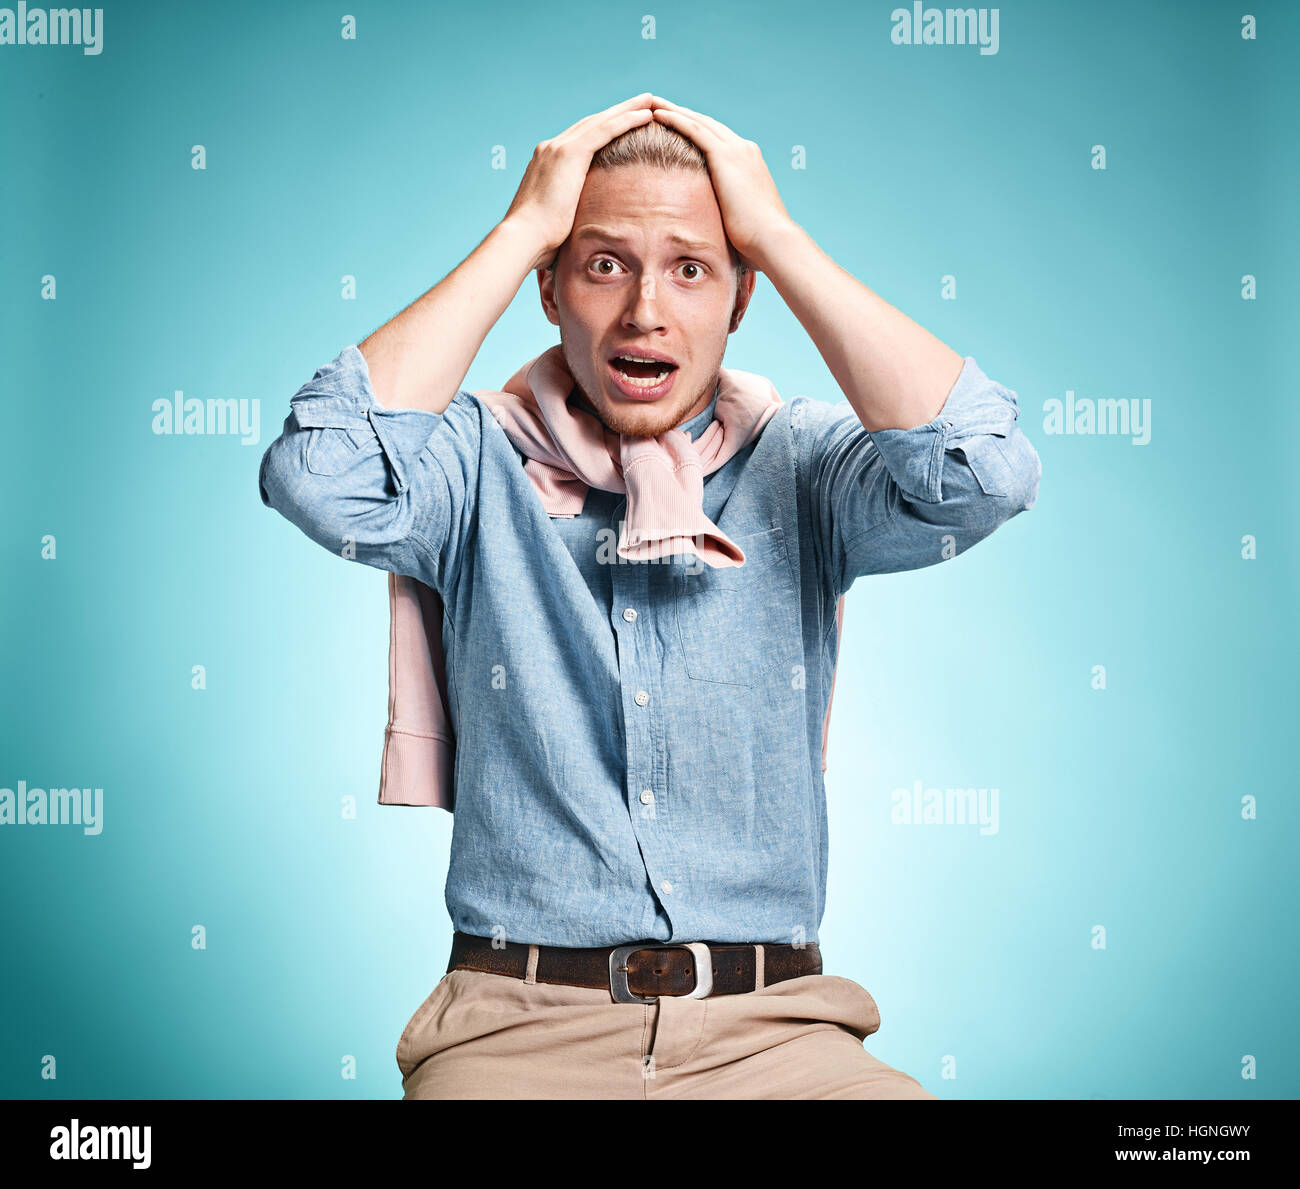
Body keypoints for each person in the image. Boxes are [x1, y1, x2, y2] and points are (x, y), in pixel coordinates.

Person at [258, 93, 1041, 1099]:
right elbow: (318, 475)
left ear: (740, 294)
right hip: (515, 1032)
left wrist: (778, 236)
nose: (644, 310)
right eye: (600, 263)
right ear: (549, 288)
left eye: (690, 267)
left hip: (774, 1035)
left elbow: (986, 474)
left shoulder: (805, 466)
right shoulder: (467, 463)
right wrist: (519, 231)